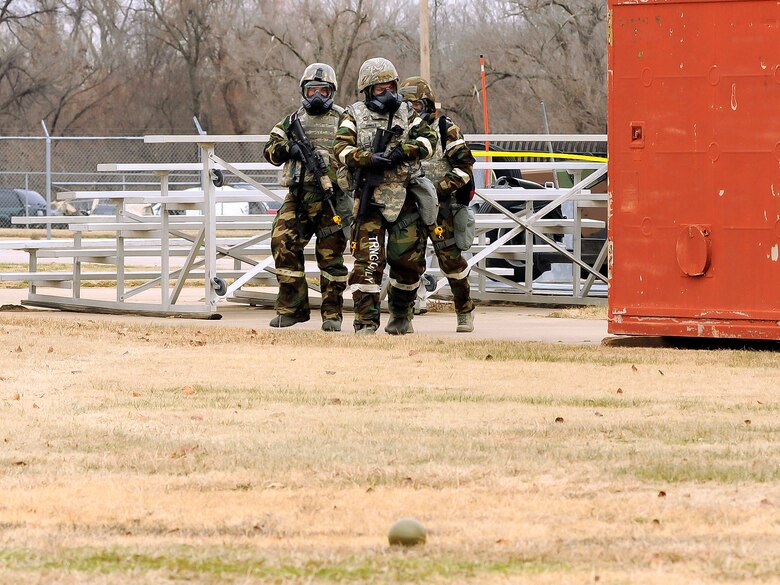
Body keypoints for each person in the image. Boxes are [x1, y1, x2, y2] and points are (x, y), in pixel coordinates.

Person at [334, 58, 438, 335]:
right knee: (368, 263)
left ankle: (402, 316)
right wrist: (368, 158)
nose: (388, 94)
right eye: (380, 89)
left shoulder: (409, 112)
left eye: (391, 87)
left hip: (406, 198)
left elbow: (429, 140)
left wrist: (404, 151)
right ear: (368, 91)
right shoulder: (353, 114)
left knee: (408, 262)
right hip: (371, 200)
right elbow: (340, 149)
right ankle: (365, 323)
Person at [263, 63, 351, 331]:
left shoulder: (344, 119)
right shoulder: (293, 120)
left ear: (331, 92)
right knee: (282, 242)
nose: (316, 96)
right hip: (299, 196)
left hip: (332, 198)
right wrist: (289, 148)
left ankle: (332, 315)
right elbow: (269, 150)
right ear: (303, 90)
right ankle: (292, 308)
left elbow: (356, 152)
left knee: (331, 258)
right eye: (311, 90)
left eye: (322, 91)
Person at [399, 76, 476, 333]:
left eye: (417, 106)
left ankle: (464, 311)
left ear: (429, 104)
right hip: (410, 207)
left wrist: (438, 190)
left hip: (442, 207)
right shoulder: (401, 130)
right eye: (407, 106)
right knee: (408, 262)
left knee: (451, 262)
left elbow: (465, 167)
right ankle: (404, 316)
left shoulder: (446, 128)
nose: (413, 112)